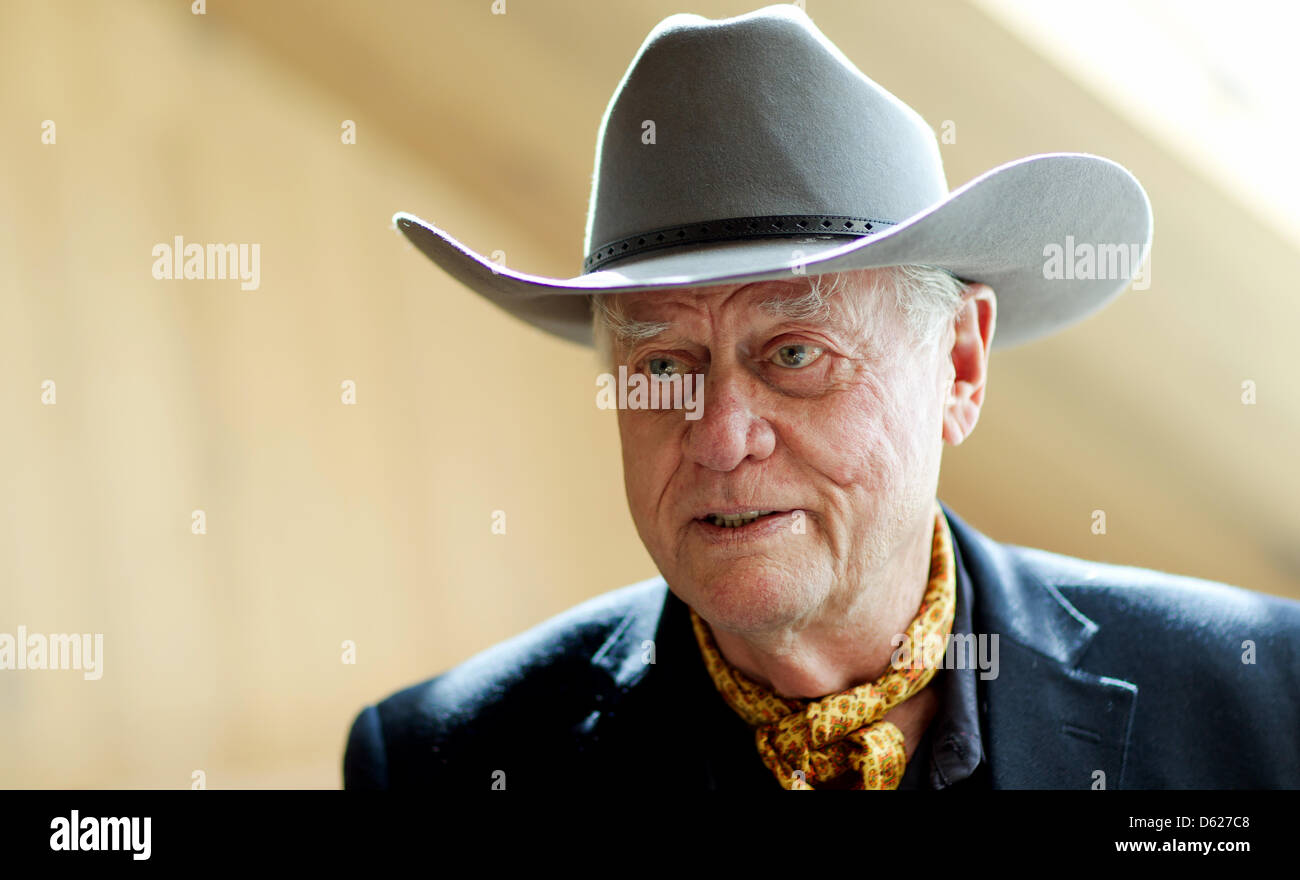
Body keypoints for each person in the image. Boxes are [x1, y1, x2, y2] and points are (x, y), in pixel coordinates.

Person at [344, 5, 1300, 790]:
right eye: (666, 365)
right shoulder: (444, 763)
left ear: (959, 369)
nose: (719, 438)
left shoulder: (1262, 701)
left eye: (794, 352)